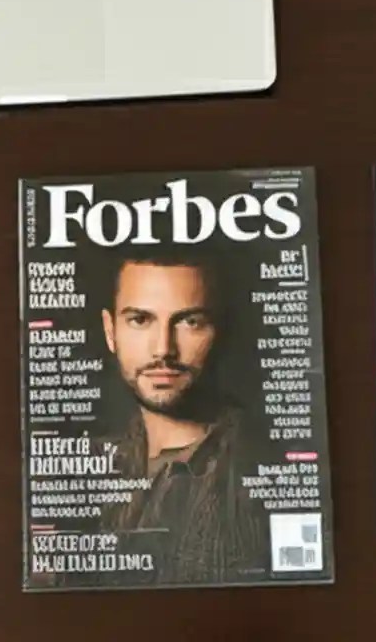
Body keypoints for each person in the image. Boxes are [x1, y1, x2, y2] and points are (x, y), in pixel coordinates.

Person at [96, 246, 268, 584]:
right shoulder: (94, 463)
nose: (163, 349)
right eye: (140, 320)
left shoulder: (259, 470)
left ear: (220, 330)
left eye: (190, 321)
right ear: (109, 331)